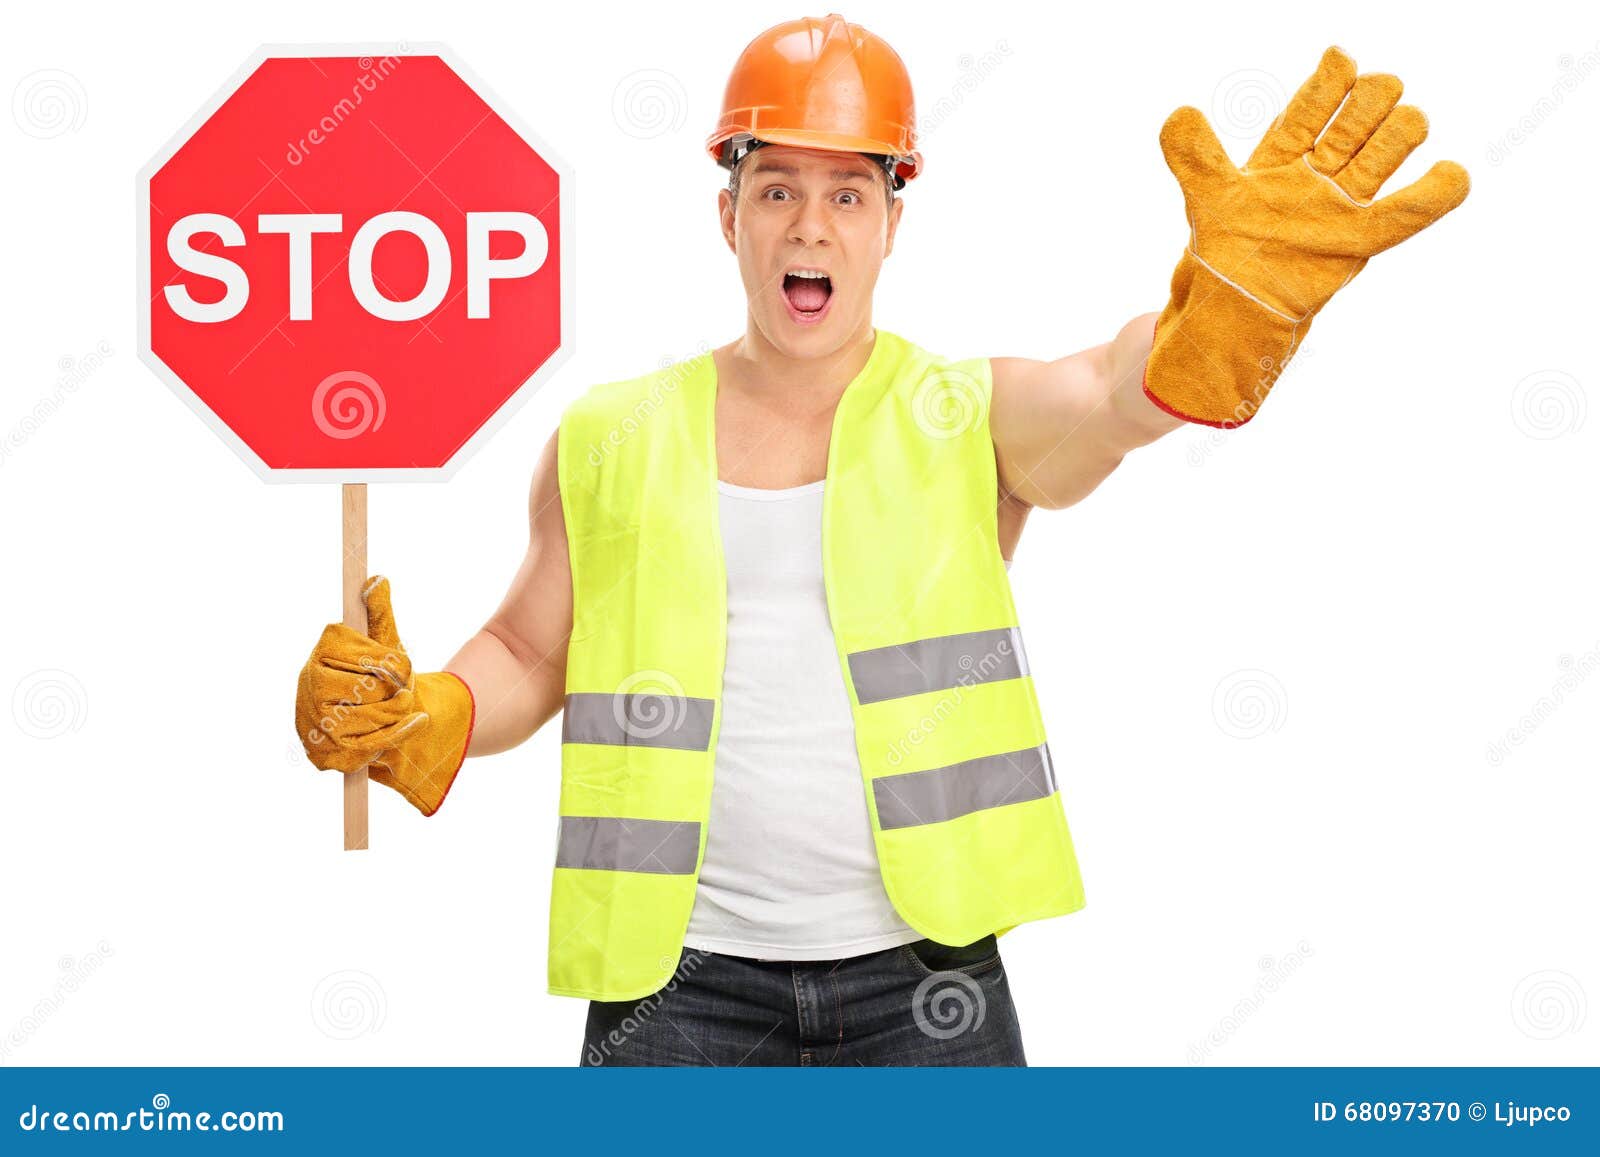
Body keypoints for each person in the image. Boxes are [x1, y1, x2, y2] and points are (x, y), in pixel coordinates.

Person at [295, 14, 1469, 1066]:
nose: (812, 224)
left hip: (925, 984)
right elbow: (532, 645)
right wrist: (431, 706)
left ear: (892, 222)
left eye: (848, 194)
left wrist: (1213, 318)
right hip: (676, 991)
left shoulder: (966, 415)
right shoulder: (612, 432)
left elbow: (1112, 391)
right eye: (778, 190)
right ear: (729, 214)